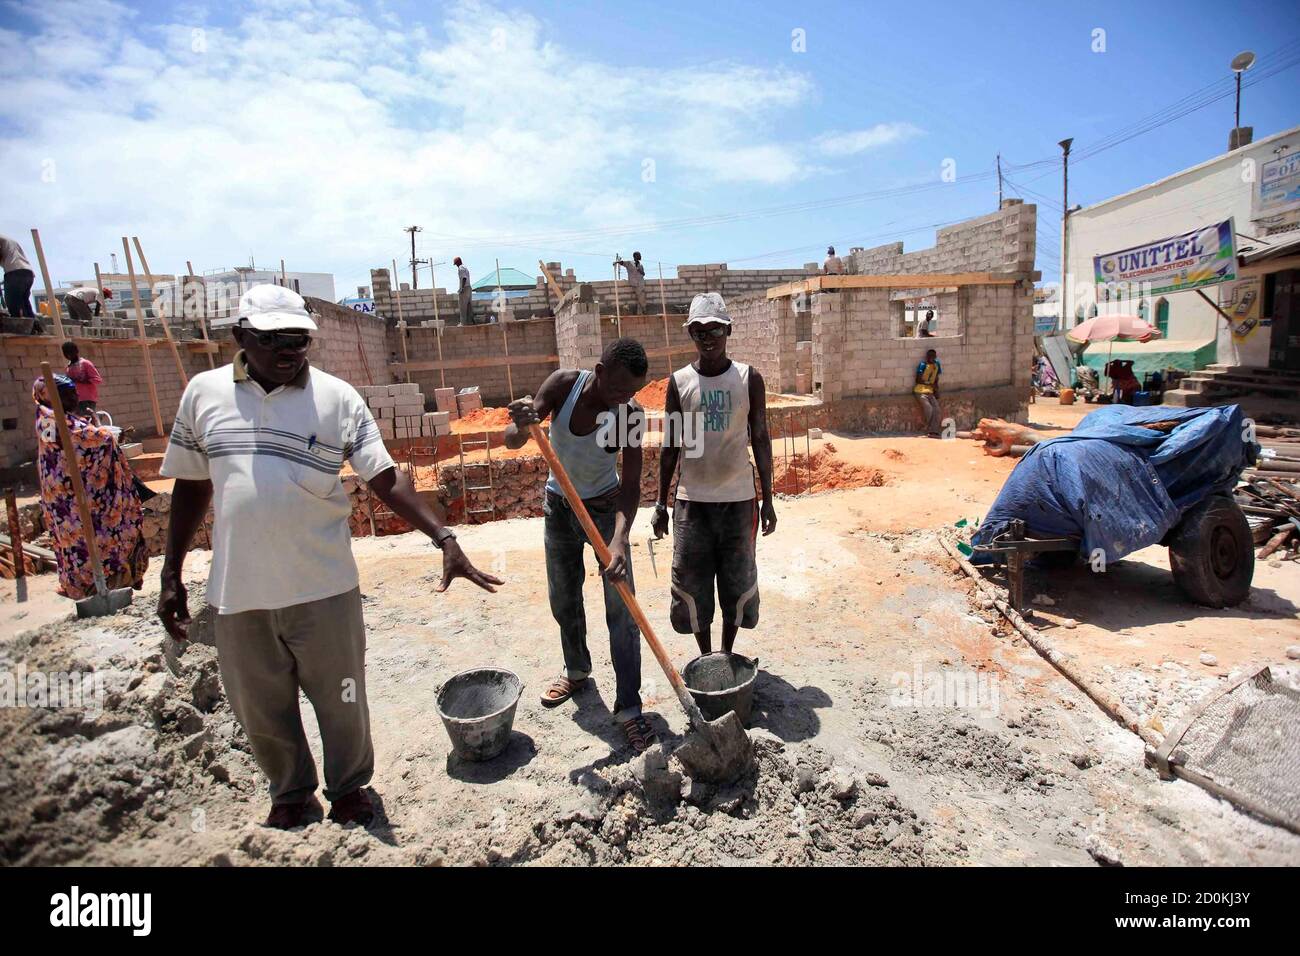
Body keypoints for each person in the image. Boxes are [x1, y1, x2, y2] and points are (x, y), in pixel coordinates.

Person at [157, 284, 502, 831]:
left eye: (299, 339)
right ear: (240, 337)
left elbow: (386, 479)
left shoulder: (338, 399)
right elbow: (191, 487)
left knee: (343, 701)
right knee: (262, 707)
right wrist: (171, 573)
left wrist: (445, 537)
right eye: (274, 339)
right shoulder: (203, 394)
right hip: (238, 592)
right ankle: (290, 791)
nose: (289, 349)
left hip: (324, 588)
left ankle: (348, 788)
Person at [504, 338, 655, 751]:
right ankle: (576, 670)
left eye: (633, 393)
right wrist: (520, 422)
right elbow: (512, 440)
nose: (625, 399)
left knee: (622, 609)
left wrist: (620, 541)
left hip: (606, 511)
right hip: (560, 505)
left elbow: (631, 486)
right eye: (620, 390)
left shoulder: (629, 416)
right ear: (600, 372)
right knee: (564, 597)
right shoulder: (563, 386)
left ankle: (629, 709)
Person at [653, 292, 776, 655]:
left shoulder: (748, 378)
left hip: (739, 502)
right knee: (693, 585)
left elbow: (761, 437)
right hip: (693, 504)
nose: (707, 339)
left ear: (728, 331)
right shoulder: (679, 383)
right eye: (698, 332)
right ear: (690, 334)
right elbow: (670, 446)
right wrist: (661, 503)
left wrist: (768, 500)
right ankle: (705, 656)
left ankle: (726, 652)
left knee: (737, 583)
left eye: (715, 331)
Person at [32, 373, 149, 600]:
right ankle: (88, 588)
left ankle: (121, 579)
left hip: (84, 496)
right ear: (51, 398)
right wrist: (101, 434)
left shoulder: (63, 418)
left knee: (106, 535)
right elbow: (80, 442)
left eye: (74, 392)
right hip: (69, 500)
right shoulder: (46, 420)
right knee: (82, 543)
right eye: (68, 395)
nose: (75, 397)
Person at [1, 233, 37, 322]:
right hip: (27, 273)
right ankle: (34, 328)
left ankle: (20, 328)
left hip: (15, 273)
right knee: (24, 303)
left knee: (13, 303)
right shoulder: (7, 239)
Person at [63, 341, 103, 414]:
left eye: (70, 352)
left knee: (87, 422)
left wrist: (82, 381)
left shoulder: (85, 363)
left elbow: (97, 380)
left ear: (76, 351)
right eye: (66, 353)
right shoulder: (68, 368)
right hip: (75, 400)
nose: (68, 355)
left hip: (87, 399)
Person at [914, 348, 942, 437]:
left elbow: (936, 378)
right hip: (920, 391)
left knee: (937, 410)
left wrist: (936, 390)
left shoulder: (937, 365)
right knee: (929, 409)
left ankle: (934, 431)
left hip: (930, 392)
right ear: (927, 357)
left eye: (933, 357)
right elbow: (918, 379)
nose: (932, 358)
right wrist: (929, 384)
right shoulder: (923, 365)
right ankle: (930, 430)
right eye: (930, 357)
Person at [454, 256, 472, 325]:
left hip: (465, 288)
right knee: (469, 307)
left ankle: (463, 323)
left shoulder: (460, 268)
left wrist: (462, 288)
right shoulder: (465, 268)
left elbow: (464, 278)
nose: (456, 266)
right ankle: (470, 322)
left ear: (457, 263)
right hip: (469, 288)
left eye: (456, 264)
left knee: (463, 308)